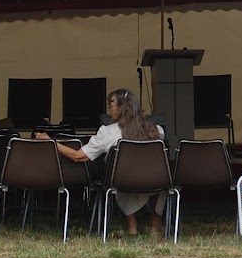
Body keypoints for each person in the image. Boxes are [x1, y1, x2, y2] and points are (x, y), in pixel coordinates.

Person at [50, 88, 165, 236]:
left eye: (111, 104)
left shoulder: (107, 133)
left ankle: (132, 226)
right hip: (154, 180)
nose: (109, 109)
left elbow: (78, 156)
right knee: (156, 180)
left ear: (122, 107)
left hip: (123, 180)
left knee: (120, 174)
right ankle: (155, 227)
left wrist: (51, 142)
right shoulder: (158, 131)